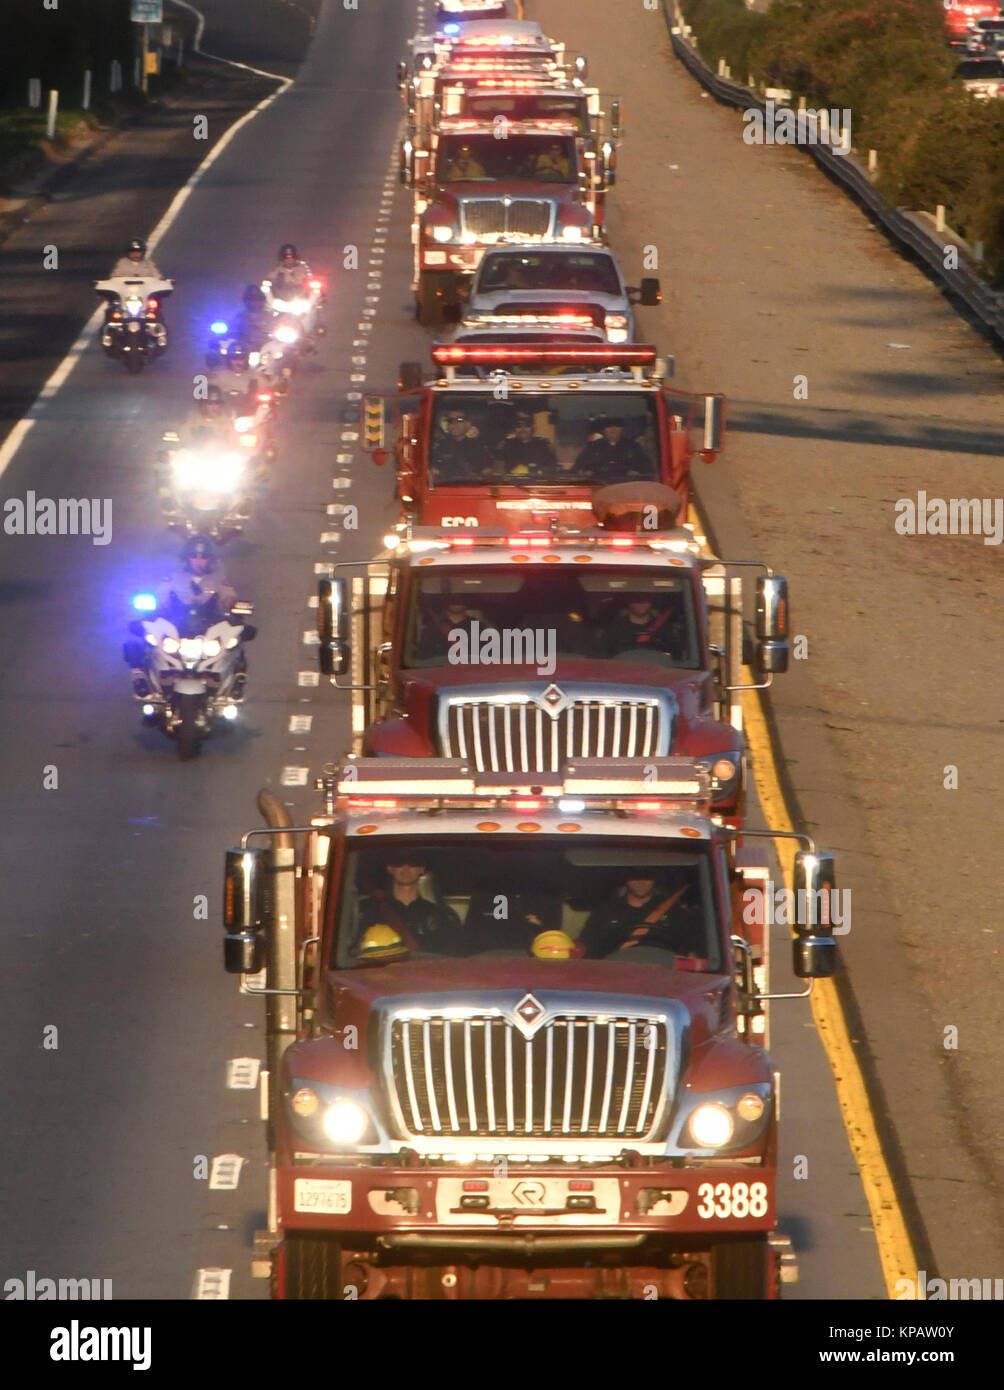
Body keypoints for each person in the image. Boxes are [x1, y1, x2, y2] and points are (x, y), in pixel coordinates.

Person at [580, 871, 704, 959]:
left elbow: (692, 951)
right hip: (615, 977)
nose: (641, 882)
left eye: (647, 876)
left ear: (656, 878)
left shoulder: (674, 911)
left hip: (664, 977)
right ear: (625, 878)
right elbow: (587, 950)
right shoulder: (605, 912)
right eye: (635, 876)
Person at [357, 854, 463, 954]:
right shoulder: (369, 911)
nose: (406, 868)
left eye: (413, 863)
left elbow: (451, 957)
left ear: (422, 869)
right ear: (389, 868)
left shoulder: (441, 915)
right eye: (399, 863)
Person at [107, 237, 167, 348]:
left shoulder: (149, 264)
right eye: (133, 252)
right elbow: (113, 278)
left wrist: (164, 283)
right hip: (126, 297)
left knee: (155, 307)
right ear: (128, 253)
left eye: (138, 252)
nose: (135, 255)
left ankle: (159, 334)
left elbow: (158, 278)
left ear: (143, 252)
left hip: (144, 298)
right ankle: (110, 334)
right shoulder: (121, 264)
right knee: (113, 308)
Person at [574, 417, 655, 484]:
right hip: (598, 485)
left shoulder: (633, 446)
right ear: (603, 430)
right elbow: (578, 467)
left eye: (617, 426)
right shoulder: (592, 447)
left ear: (622, 429)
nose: (613, 429)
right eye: (609, 426)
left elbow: (647, 469)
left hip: (626, 486)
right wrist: (584, 472)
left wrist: (637, 472)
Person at [603, 594, 684, 659]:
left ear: (651, 601)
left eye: (645, 599)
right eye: (637, 599)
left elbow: (677, 657)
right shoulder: (615, 628)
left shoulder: (664, 628)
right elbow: (603, 657)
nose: (641, 603)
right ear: (629, 602)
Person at [432, 409, 493, 483]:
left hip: (470, 488)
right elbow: (431, 471)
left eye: (459, 420)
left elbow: (488, 471)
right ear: (447, 425)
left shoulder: (478, 447)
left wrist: (479, 477)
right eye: (450, 420)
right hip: (443, 488)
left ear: (468, 424)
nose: (454, 424)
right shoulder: (439, 447)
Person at [496, 409, 557, 479]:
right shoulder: (505, 446)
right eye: (518, 425)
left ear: (533, 427)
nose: (522, 429)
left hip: (535, 485)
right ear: (514, 428)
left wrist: (533, 472)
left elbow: (551, 471)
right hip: (511, 485)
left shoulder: (544, 447)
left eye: (527, 425)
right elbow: (498, 472)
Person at [418, 595, 479, 662]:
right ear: (446, 600)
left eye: (460, 597)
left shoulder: (479, 628)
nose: (456, 601)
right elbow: (424, 659)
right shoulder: (431, 630)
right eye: (453, 597)